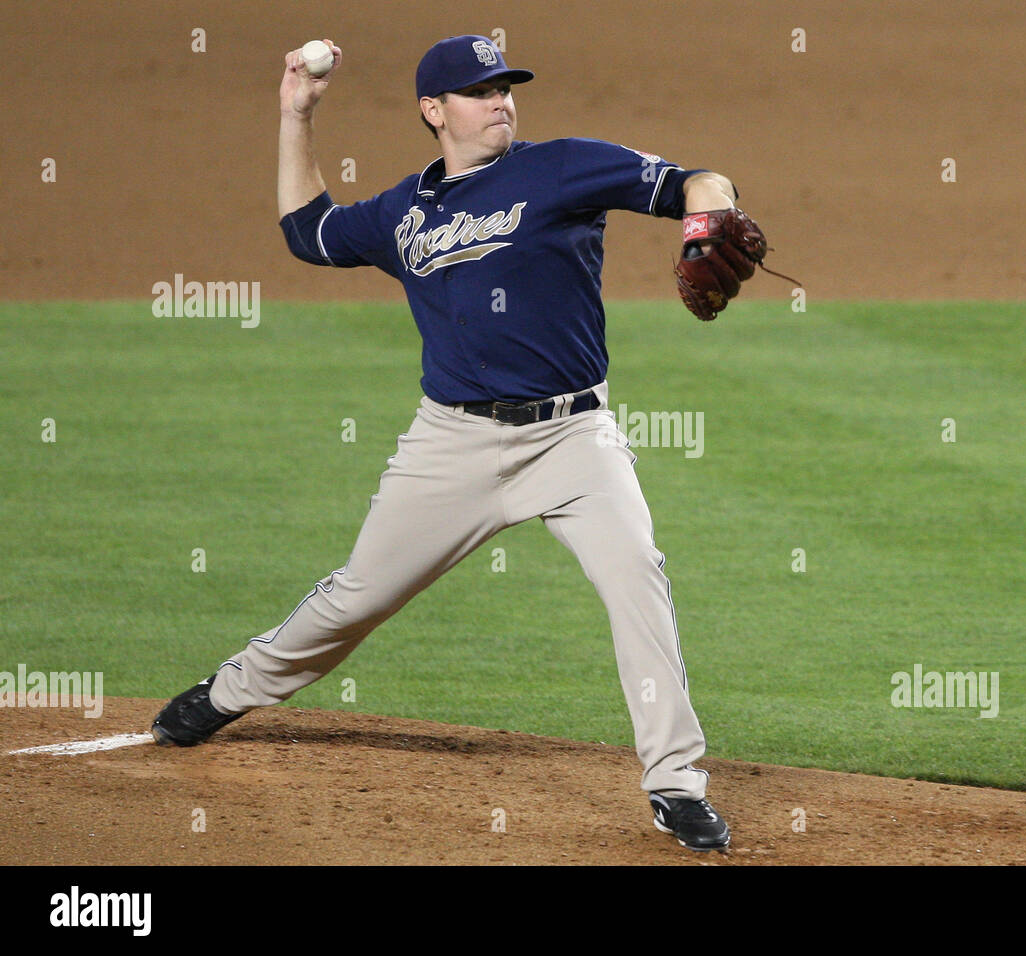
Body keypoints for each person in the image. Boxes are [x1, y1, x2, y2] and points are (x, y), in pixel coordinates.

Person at [151, 34, 771, 853]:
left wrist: (706, 222)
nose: (502, 102)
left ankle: (675, 787)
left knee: (638, 583)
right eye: (481, 92)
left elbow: (700, 177)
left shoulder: (563, 167)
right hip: (451, 445)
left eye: (507, 87)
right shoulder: (404, 211)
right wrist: (295, 116)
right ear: (433, 111)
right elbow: (310, 232)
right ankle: (230, 691)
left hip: (574, 438)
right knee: (357, 596)